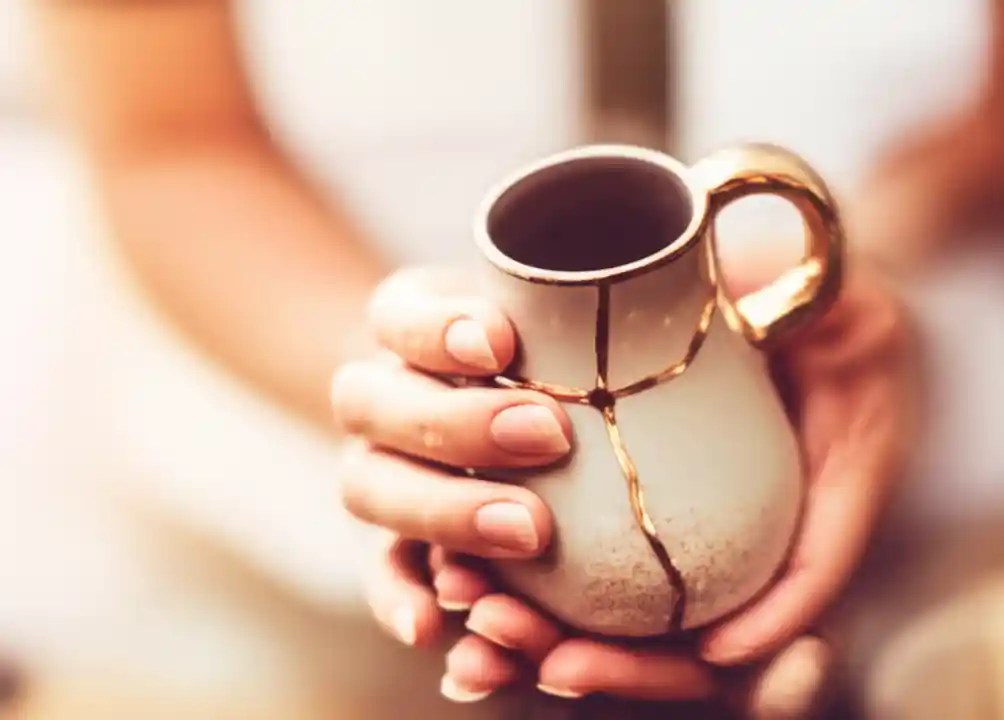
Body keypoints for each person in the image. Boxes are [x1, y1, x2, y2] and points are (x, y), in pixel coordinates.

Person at [34, 1, 917, 714]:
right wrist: (396, 379)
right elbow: (170, 139)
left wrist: (863, 275)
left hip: (928, 479)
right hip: (291, 528)